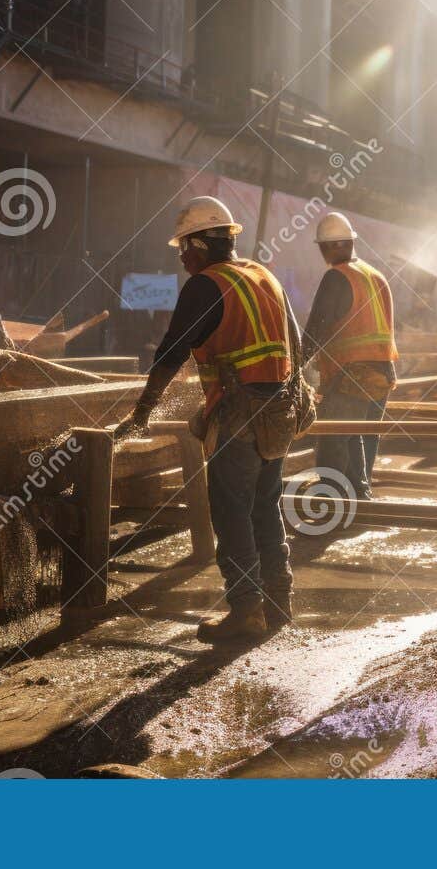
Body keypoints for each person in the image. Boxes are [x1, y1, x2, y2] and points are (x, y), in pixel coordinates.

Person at [112, 197, 301, 639]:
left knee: (231, 511)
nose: (181, 257)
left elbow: (170, 354)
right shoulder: (263, 275)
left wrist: (142, 413)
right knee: (264, 506)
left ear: (199, 243)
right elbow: (295, 340)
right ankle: (278, 601)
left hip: (241, 415)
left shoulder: (205, 285)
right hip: (278, 411)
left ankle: (246, 610)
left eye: (183, 248)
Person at [303, 212, 398, 500]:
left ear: (330, 246)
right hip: (383, 373)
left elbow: (314, 330)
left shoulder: (336, 276)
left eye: (321, 247)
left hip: (352, 375)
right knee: (363, 435)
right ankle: (359, 494)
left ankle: (332, 500)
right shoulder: (375, 274)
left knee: (334, 438)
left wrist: (290, 371)